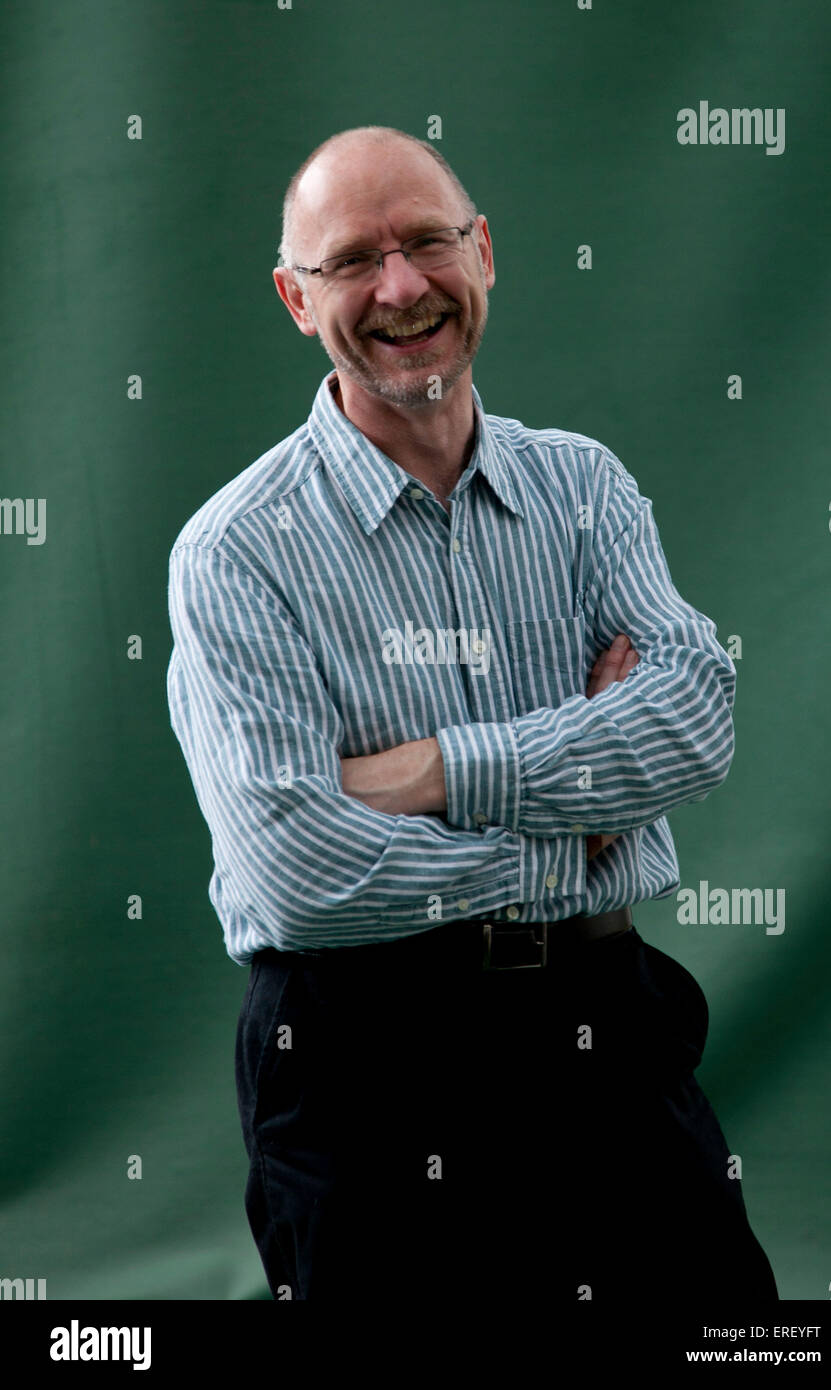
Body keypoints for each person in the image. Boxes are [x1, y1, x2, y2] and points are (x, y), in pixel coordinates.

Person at [166, 125, 778, 1302]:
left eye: (428, 243)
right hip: (360, 1062)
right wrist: (580, 816)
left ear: (483, 252)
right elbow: (295, 867)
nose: (401, 288)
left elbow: (696, 714)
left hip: (607, 1030)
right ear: (297, 299)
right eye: (352, 261)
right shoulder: (236, 552)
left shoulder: (585, 487)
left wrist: (428, 769)